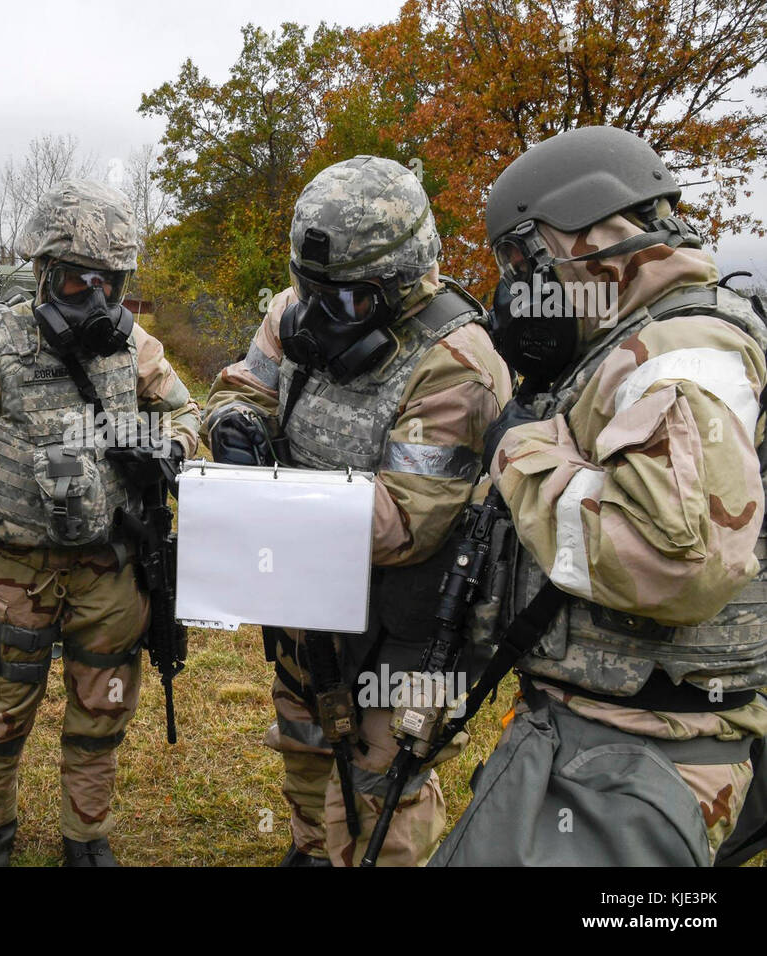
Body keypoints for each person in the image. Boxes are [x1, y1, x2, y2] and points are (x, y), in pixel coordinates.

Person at [432, 125, 767, 866]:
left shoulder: (684, 355)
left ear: (582, 239)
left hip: (642, 751)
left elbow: (671, 561)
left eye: (522, 258)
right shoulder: (635, 340)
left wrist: (518, 449)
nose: (516, 286)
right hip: (603, 731)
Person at [201, 156, 512, 866]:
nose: (318, 312)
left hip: (406, 617)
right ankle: (310, 849)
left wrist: (260, 502)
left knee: (379, 790)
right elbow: (244, 384)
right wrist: (232, 425)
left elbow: (404, 520)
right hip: (309, 593)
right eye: (311, 289)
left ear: (401, 284)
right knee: (305, 735)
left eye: (347, 299)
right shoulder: (296, 310)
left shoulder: (458, 361)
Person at [0, 179, 200, 866]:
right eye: (75, 282)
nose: (94, 299)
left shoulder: (137, 351)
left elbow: (189, 415)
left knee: (101, 712)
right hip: (21, 567)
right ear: (44, 275)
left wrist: (167, 449)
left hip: (111, 571)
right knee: (4, 712)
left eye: (107, 282)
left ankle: (85, 835)